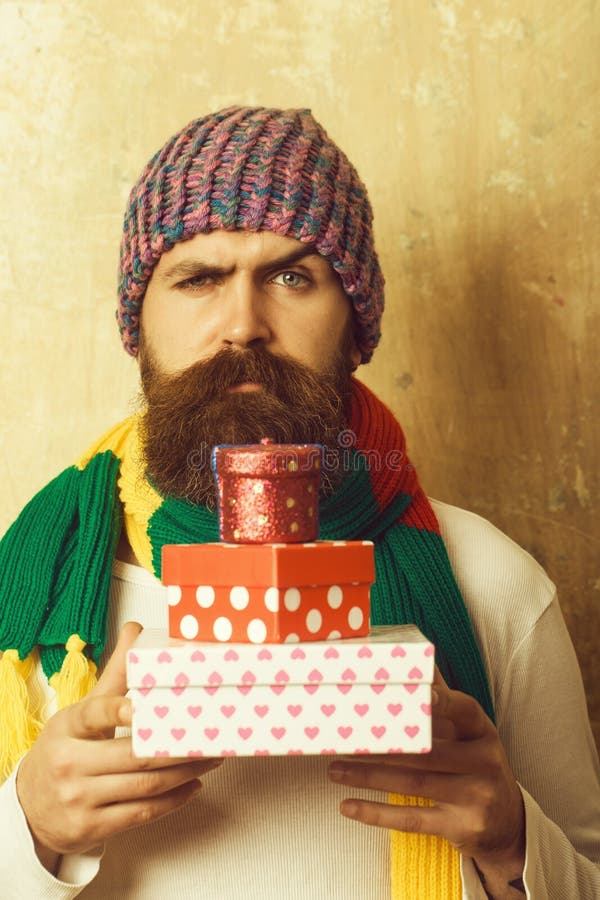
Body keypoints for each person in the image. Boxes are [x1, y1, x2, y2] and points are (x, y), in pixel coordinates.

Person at [0, 106, 598, 900]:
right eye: (198, 278)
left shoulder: (491, 580)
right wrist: (29, 827)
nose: (243, 325)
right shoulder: (36, 593)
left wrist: (513, 840)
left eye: (291, 277)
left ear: (357, 326)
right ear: (136, 327)